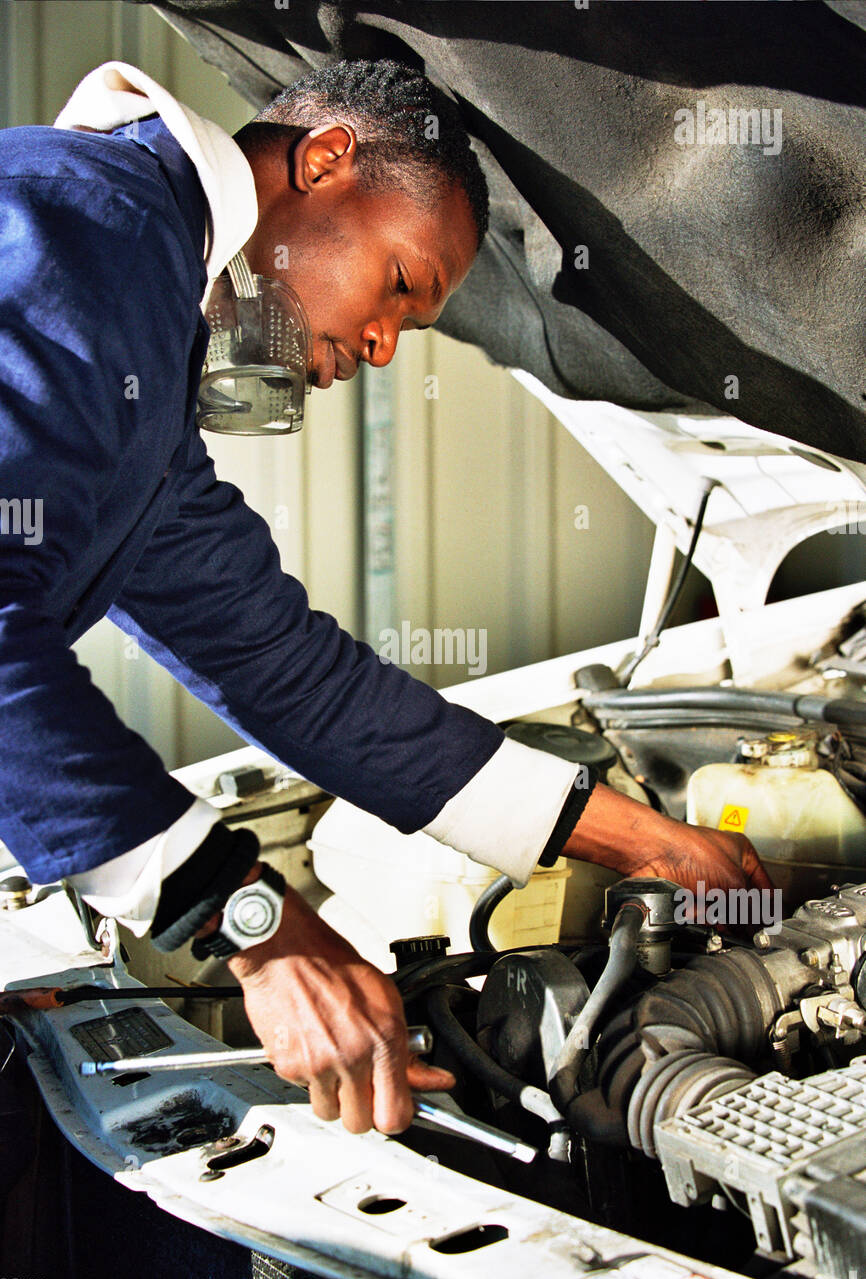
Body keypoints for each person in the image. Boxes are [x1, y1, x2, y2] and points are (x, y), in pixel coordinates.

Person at [0, 58, 771, 1137]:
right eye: (401, 286)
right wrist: (253, 925)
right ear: (323, 163)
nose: (375, 346)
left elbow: (284, 671)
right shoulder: (84, 226)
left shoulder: (141, 329)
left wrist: (636, 840)